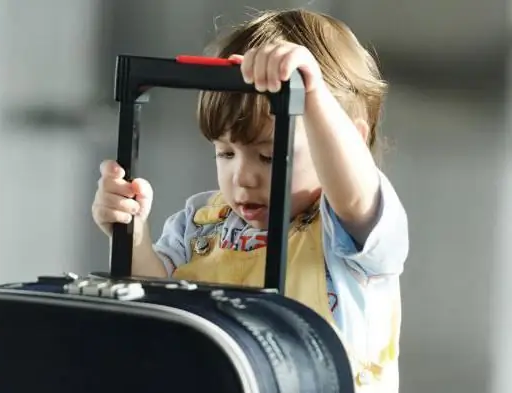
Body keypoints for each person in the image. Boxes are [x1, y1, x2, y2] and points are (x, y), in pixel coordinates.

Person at [91, 8, 409, 392]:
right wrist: (131, 233)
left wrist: (313, 95)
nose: (242, 176)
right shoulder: (199, 224)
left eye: (270, 156)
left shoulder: (349, 234)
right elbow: (159, 307)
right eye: (225, 153)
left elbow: (355, 192)